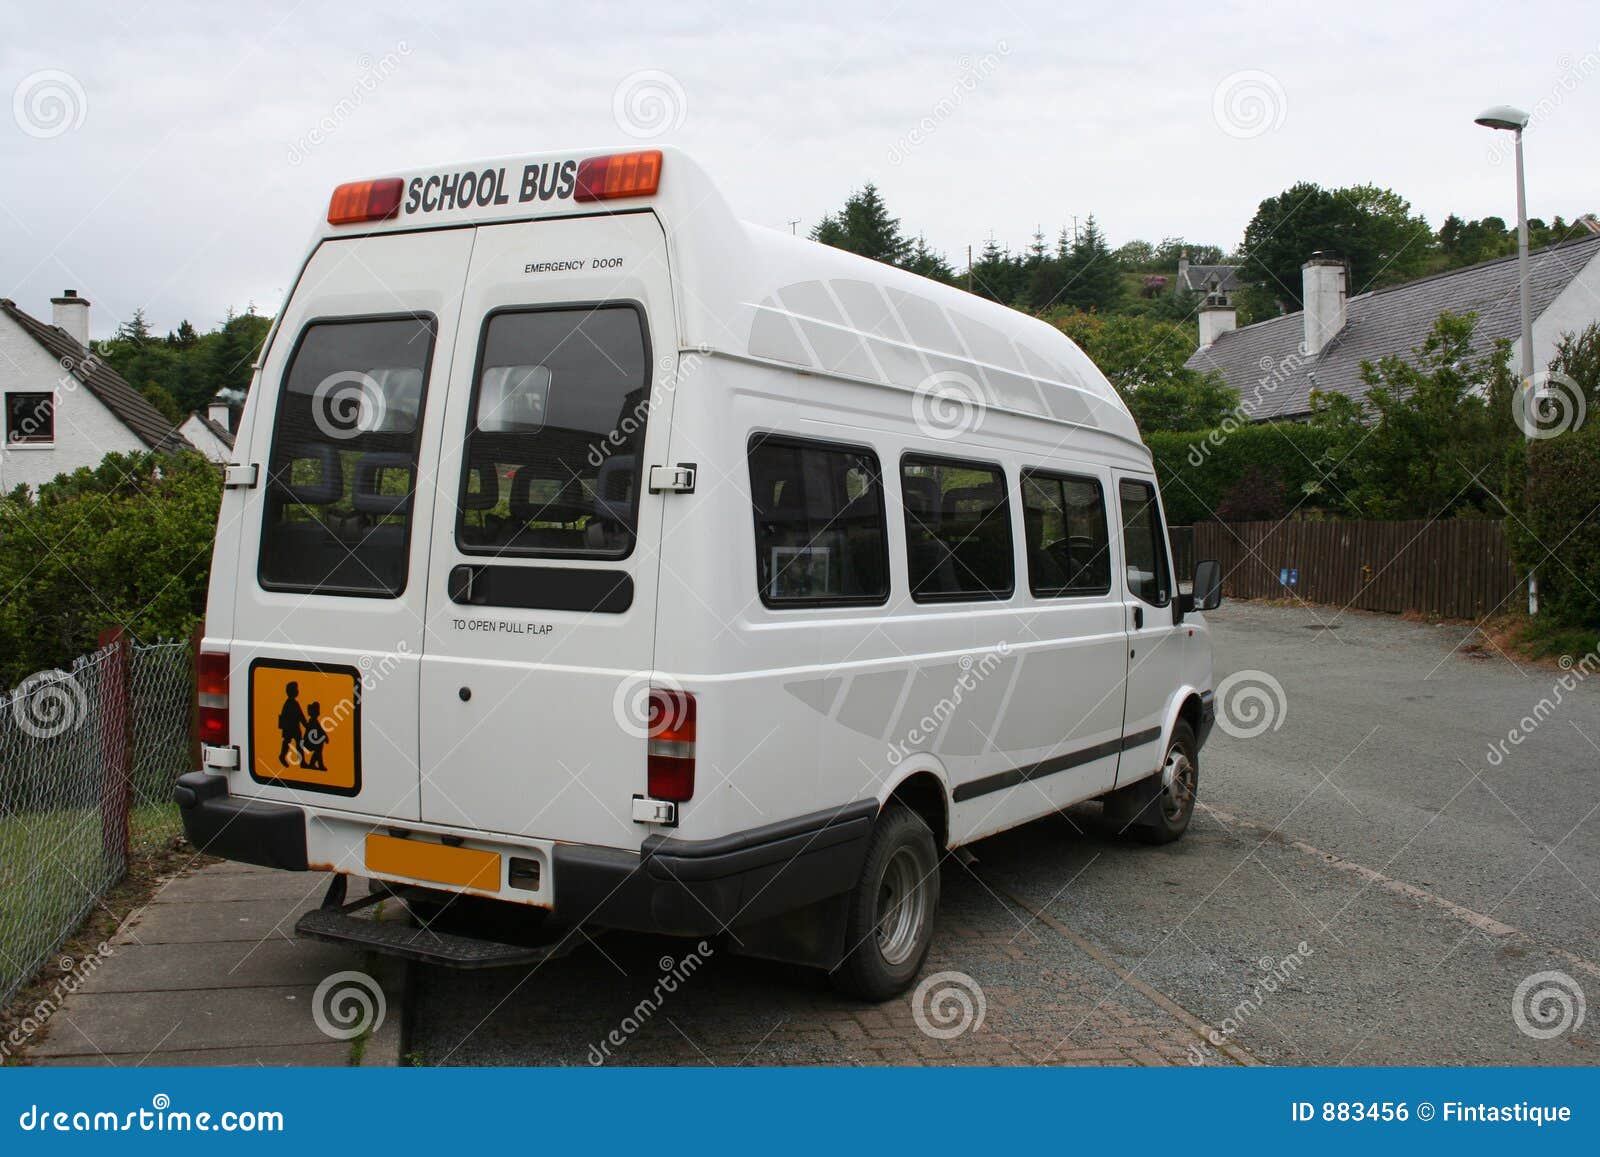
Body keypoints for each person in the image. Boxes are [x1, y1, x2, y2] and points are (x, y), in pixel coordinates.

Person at [277, 682, 306, 766]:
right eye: (295, 689)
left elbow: (300, 715)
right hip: (290, 728)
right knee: (288, 742)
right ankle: (282, 756)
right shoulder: (289, 703)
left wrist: (305, 724)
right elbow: (299, 715)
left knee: (298, 744)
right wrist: (305, 724)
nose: (297, 691)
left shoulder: (294, 703)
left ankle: (302, 761)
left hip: (295, 727)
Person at [302, 701, 329, 771]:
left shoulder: (315, 721)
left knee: (318, 749)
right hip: (309, 742)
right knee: (318, 749)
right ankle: (318, 764)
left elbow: (320, 730)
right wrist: (325, 737)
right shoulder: (312, 722)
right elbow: (317, 730)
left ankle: (314, 763)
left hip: (313, 741)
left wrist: (325, 737)